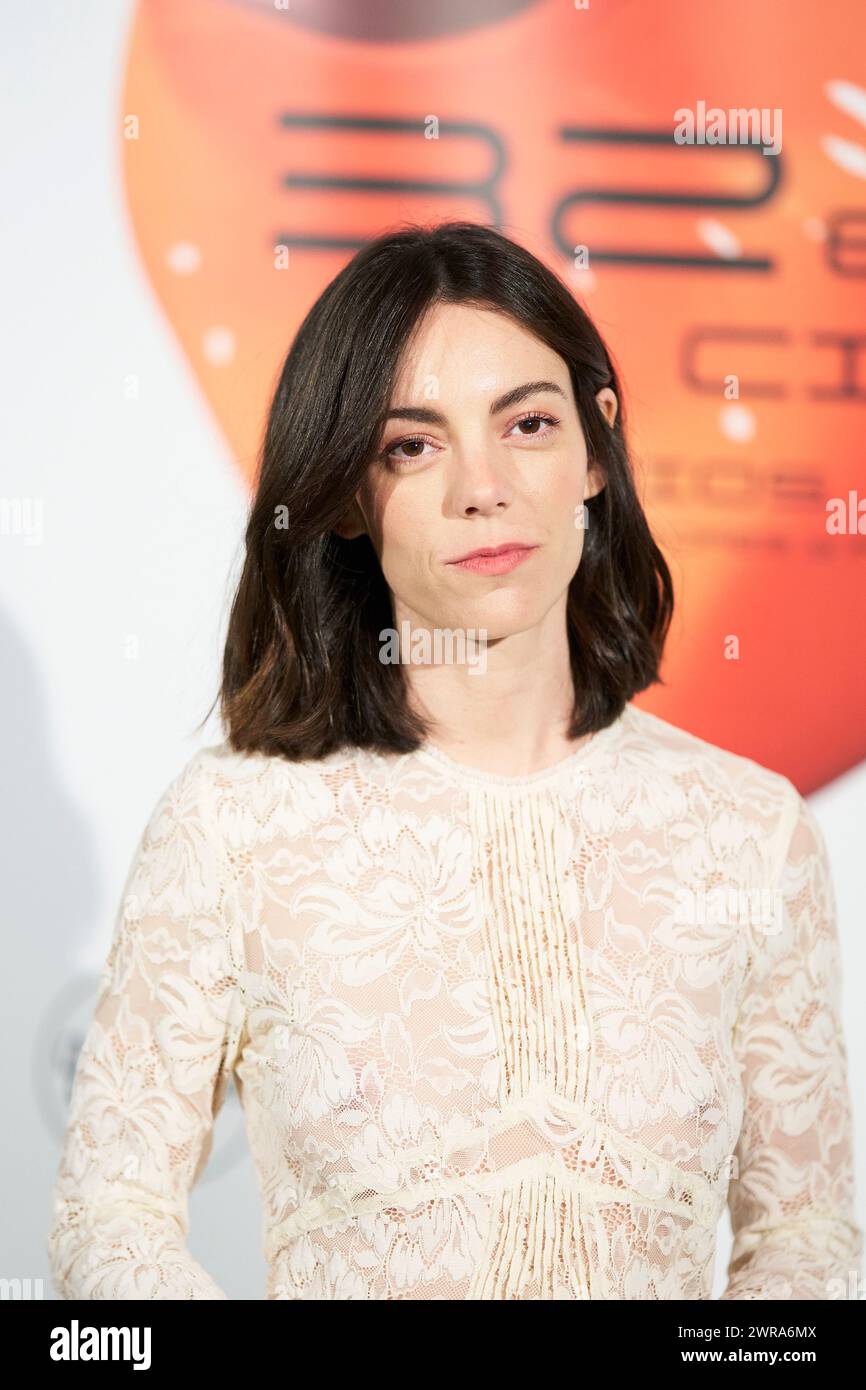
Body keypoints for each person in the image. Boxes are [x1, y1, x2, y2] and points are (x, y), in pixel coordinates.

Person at [46, 220, 862, 1300]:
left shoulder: (749, 832)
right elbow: (109, 1222)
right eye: (411, 445)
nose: (482, 486)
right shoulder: (234, 826)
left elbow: (803, 1243)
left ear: (592, 450)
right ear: (344, 492)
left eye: (525, 423)